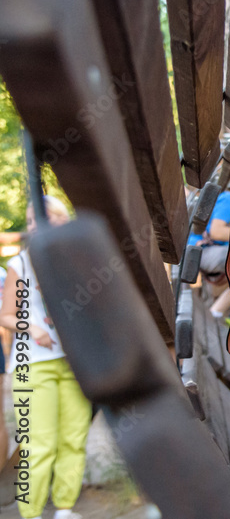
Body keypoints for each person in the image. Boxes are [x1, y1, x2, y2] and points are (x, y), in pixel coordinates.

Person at [0, 196, 91, 519]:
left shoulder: (77, 261)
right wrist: (33, 327)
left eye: (42, 218)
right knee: (39, 445)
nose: (35, 225)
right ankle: (31, 513)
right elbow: (6, 315)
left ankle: (64, 509)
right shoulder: (21, 264)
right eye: (31, 221)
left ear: (61, 220)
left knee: (74, 439)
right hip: (33, 364)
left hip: (74, 361)